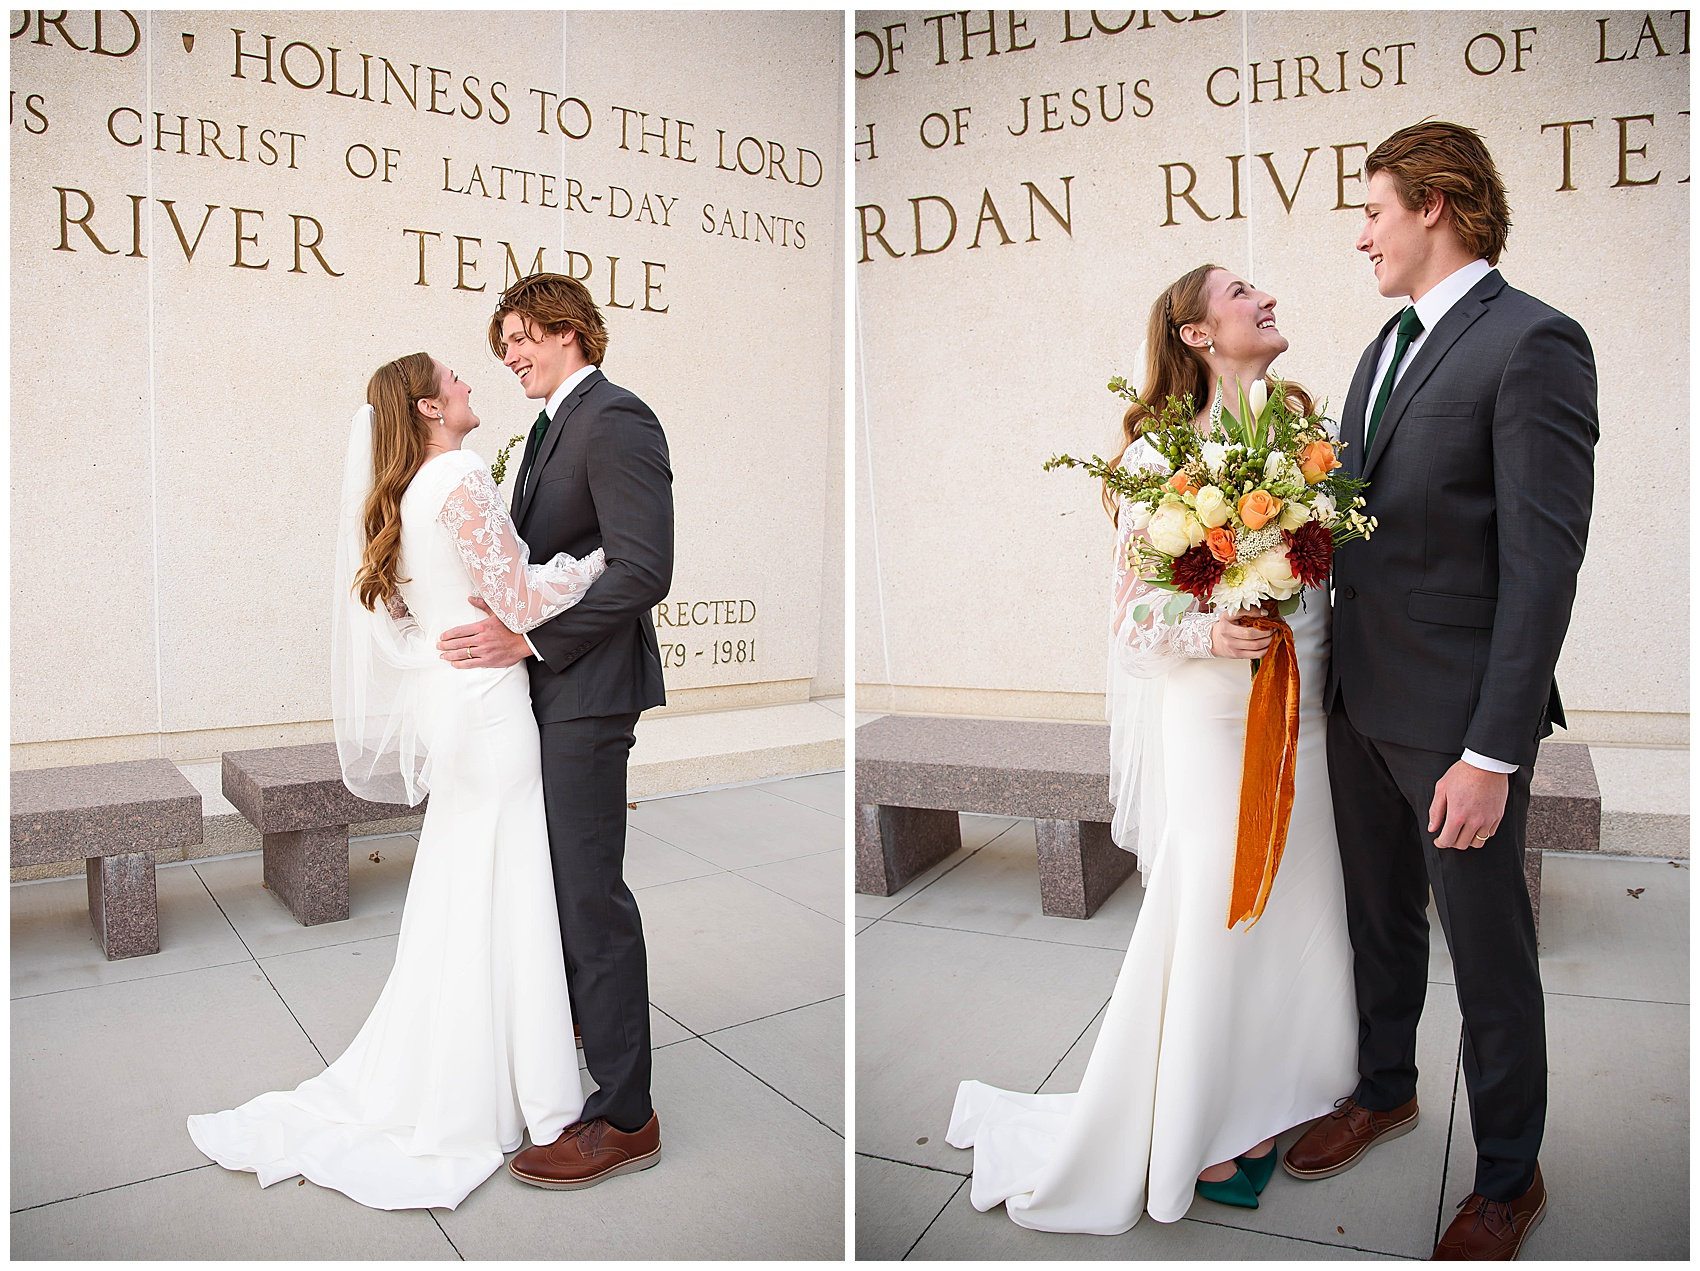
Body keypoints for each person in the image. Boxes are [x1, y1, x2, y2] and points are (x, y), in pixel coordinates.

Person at [944, 264, 1356, 1234]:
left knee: (1294, 894)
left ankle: (1284, 1083)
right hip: (1210, 709)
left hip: (1301, 711)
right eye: (1239, 290)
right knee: (1216, 895)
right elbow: (1132, 620)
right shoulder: (1158, 456)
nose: (1264, 295)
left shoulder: (1302, 437)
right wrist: (1206, 630)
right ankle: (1201, 1119)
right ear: (1197, 333)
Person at [188, 352, 608, 1209]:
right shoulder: (454, 476)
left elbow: (413, 613)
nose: (468, 385)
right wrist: (598, 564)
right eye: (455, 379)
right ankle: (517, 1083)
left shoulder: (408, 496)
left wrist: (455, 635)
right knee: (508, 885)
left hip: (455, 704)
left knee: (466, 886)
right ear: (428, 406)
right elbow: (522, 597)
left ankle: (470, 1066)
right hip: (491, 710)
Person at [1287, 121, 1597, 1261]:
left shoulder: (1534, 343)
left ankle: (1509, 1174)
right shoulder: (1382, 347)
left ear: (1434, 204)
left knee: (1487, 954)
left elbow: (1541, 563)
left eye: (1370, 210)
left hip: (1457, 725)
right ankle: (1383, 1087)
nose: (1358, 233)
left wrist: (1491, 751)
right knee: (1378, 924)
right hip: (1356, 703)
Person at [434, 273, 674, 1190]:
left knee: (590, 895)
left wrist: (528, 635)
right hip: (544, 690)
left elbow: (644, 568)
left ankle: (626, 1115)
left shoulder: (617, 418)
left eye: (522, 337)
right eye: (501, 345)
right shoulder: (543, 431)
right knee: (559, 885)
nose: (508, 356)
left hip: (588, 692)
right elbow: (544, 561)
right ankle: (577, 1034)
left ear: (570, 330)